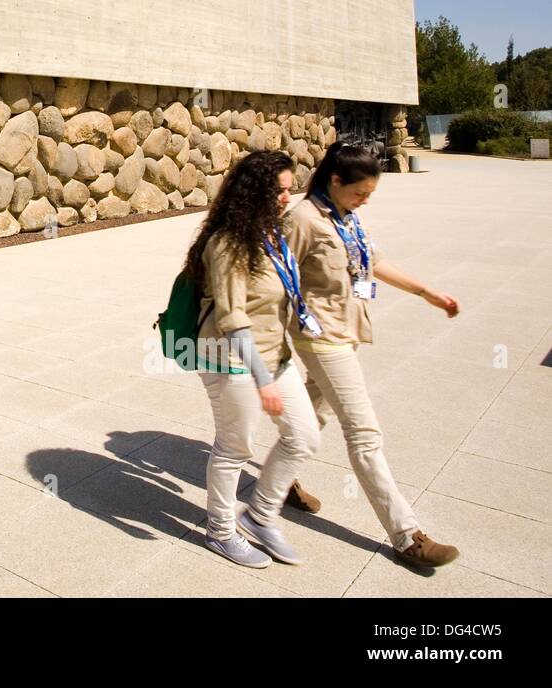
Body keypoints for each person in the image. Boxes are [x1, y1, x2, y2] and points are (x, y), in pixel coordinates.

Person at [284, 142, 461, 569]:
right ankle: (406, 534)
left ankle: (280, 480)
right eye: (360, 192)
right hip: (320, 336)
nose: (365, 201)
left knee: (312, 416)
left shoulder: (346, 217)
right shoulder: (303, 218)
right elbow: (275, 276)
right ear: (336, 180)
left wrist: (426, 293)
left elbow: (374, 261)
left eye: (370, 195)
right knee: (363, 433)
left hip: (347, 330)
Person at [185, 150, 321, 568]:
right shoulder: (228, 242)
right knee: (234, 447)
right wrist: (262, 379)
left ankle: (260, 515)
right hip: (231, 359)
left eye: (289, 189)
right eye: (279, 190)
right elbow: (231, 318)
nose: (287, 197)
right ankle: (221, 531)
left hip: (271, 355)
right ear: (255, 190)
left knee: (304, 435)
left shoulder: (269, 235)